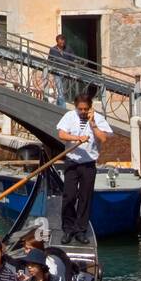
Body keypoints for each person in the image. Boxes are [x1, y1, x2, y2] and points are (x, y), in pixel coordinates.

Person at [57, 92, 112, 244]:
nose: (82, 112)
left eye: (85, 109)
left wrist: (93, 123)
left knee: (85, 198)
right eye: (80, 109)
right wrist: (77, 138)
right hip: (72, 162)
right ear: (76, 107)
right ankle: (68, 229)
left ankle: (81, 231)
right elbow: (61, 134)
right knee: (69, 196)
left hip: (88, 164)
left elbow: (103, 138)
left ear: (90, 108)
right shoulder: (69, 116)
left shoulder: (98, 118)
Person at [47, 33, 77, 106]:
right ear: (57, 42)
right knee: (60, 90)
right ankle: (62, 109)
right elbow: (49, 60)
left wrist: (73, 64)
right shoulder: (53, 50)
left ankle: (58, 105)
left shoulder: (68, 49)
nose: (62, 44)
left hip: (66, 72)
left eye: (63, 42)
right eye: (60, 42)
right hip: (57, 72)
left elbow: (73, 58)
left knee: (63, 91)